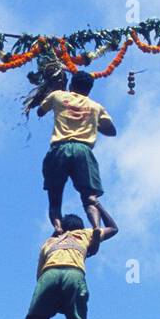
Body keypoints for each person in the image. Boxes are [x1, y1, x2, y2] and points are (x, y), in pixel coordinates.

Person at [22, 213, 117, 319]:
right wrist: (97, 205)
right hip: (74, 275)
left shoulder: (49, 242)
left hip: (49, 276)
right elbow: (113, 228)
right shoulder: (84, 234)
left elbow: (39, 277)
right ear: (79, 227)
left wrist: (47, 310)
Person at [37, 70, 117, 229]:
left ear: (71, 84)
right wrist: (92, 122)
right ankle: (95, 227)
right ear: (89, 90)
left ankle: (58, 228)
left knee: (55, 199)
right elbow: (111, 131)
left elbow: (40, 111)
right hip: (83, 151)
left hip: (59, 149)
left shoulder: (58, 96)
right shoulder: (95, 107)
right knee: (89, 197)